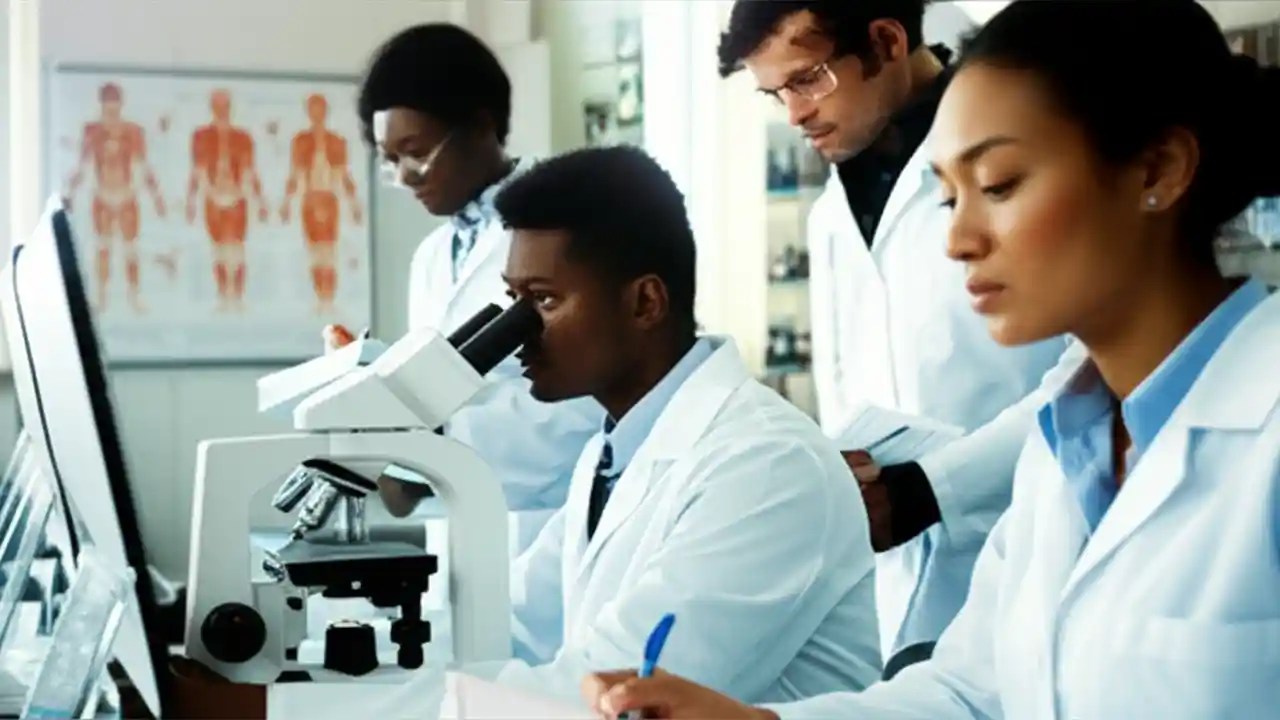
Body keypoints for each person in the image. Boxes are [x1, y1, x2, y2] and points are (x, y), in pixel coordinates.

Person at [583, 1, 1280, 717]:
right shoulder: (1065, 453)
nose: (958, 239)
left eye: (1000, 184)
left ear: (1156, 169)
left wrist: (931, 488)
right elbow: (970, 692)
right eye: (948, 196)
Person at [450, 144, 880, 704]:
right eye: (512, 300)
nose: (518, 332)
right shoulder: (614, 452)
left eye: (544, 300)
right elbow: (517, 619)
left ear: (646, 302)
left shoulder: (767, 465)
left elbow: (628, 690)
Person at [716, 0, 1072, 665]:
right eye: (775, 94)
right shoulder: (829, 216)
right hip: (892, 587)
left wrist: (932, 490)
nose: (794, 113)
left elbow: (1090, 376)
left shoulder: (1021, 158)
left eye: (807, 78)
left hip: (1035, 548)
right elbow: (850, 395)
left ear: (884, 41)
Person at [336, 23, 601, 555]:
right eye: (390, 161)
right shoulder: (432, 257)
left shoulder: (562, 229)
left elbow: (586, 402)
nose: (407, 176)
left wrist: (433, 443)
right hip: (461, 523)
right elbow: (441, 385)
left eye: (416, 151)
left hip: (550, 521)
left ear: (481, 125)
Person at [63, 82, 167, 313]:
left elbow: (144, 166)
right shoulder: (92, 131)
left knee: (131, 249)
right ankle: (101, 297)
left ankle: (134, 296)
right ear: (101, 105)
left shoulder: (133, 131)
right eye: (107, 105)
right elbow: (83, 165)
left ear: (121, 105)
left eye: (115, 105)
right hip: (102, 196)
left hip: (127, 194)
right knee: (103, 248)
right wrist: (69, 194)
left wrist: (157, 198)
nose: (111, 110)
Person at [185, 89, 270, 313]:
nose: (221, 110)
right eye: (217, 106)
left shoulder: (242, 137)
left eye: (225, 106)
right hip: (212, 196)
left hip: (237, 196)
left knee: (237, 249)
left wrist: (260, 201)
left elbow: (250, 172)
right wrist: (191, 201)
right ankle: (223, 296)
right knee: (219, 250)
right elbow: (197, 171)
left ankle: (239, 296)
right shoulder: (202, 136)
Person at [280, 93, 364, 317]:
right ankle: (319, 298)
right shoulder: (301, 141)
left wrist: (354, 204)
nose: (317, 115)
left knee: (329, 251)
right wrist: (286, 203)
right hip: (309, 197)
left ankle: (330, 297)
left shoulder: (336, 141)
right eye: (313, 110)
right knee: (315, 252)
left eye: (321, 110)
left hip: (329, 198)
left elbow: (344, 175)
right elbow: (295, 175)